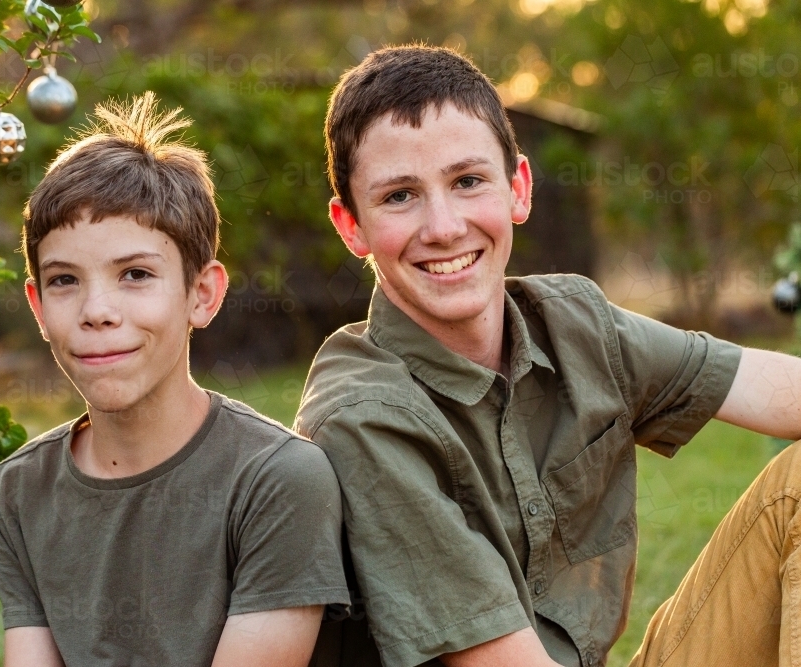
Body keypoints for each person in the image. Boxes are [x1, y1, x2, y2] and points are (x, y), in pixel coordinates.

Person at [294, 45, 801, 667]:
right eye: (400, 196)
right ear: (352, 228)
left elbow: (777, 388)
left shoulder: (571, 321)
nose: (444, 226)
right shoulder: (361, 415)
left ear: (518, 189)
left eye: (468, 181)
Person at [0, 93, 350, 667]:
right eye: (63, 281)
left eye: (135, 274)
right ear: (36, 305)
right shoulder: (17, 490)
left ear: (201, 294)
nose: (96, 310)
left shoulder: (278, 480)